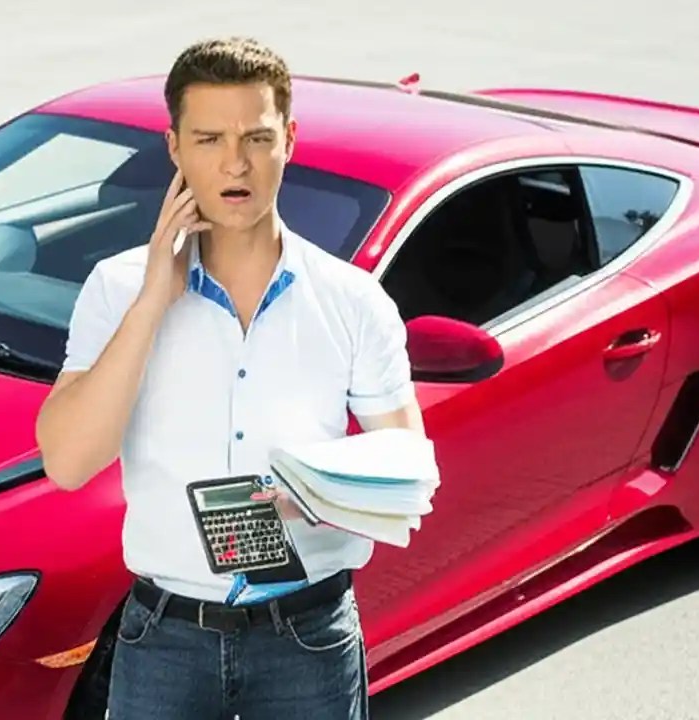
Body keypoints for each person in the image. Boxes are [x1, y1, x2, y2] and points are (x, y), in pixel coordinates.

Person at [35, 36, 424, 720]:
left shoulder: (353, 301)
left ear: (290, 140)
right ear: (175, 148)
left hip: (308, 638)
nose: (235, 162)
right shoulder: (116, 287)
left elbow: (405, 473)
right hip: (166, 638)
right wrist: (155, 297)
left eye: (256, 137)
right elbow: (69, 460)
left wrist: (310, 492)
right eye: (209, 138)